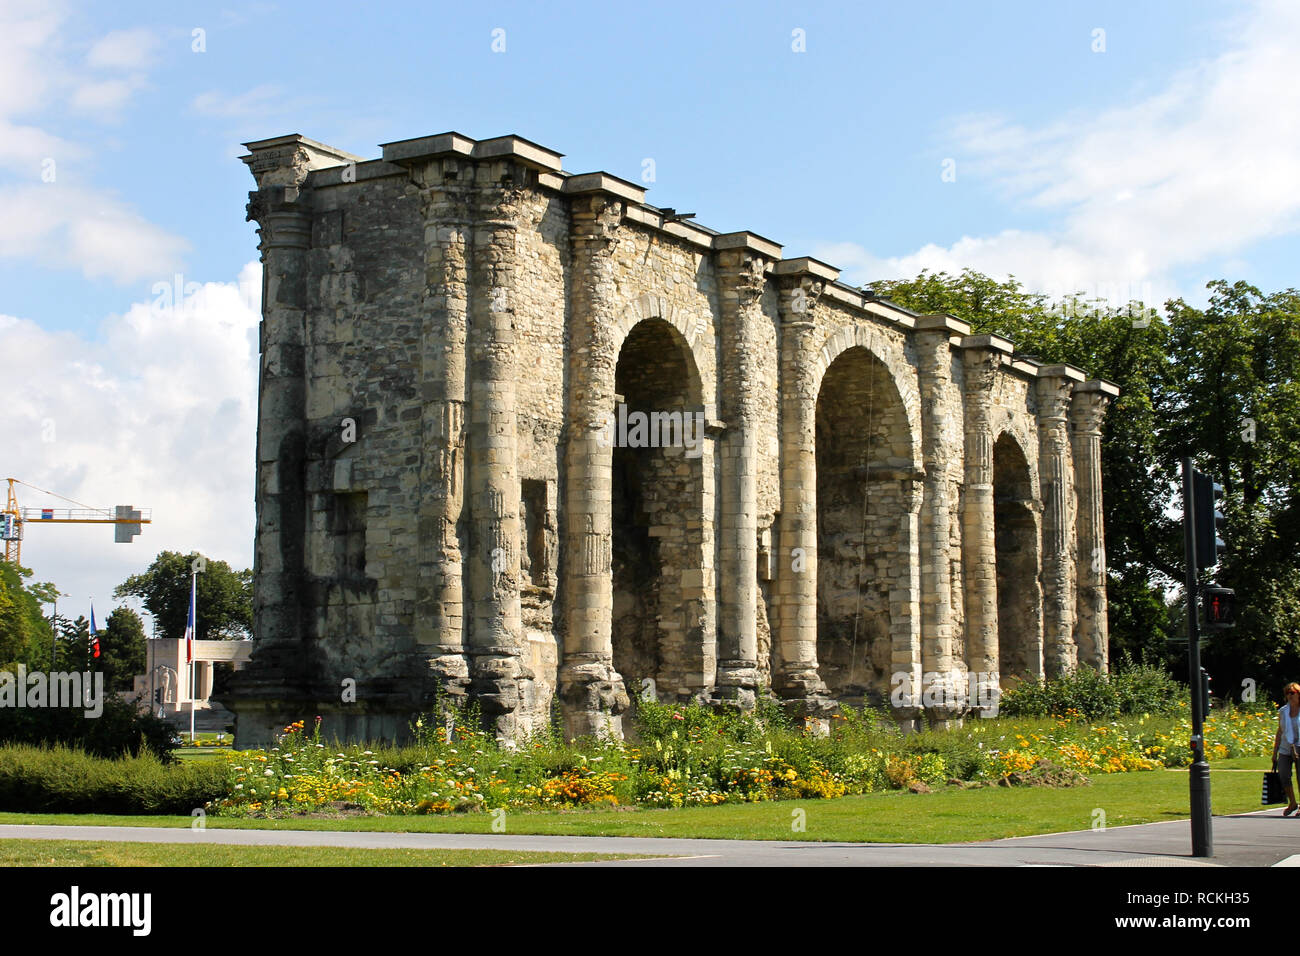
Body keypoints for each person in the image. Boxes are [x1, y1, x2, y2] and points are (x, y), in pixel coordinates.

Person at [1273, 682, 1300, 816]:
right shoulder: (1283, 711)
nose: (1289, 695)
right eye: (1287, 693)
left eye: (1292, 693)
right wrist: (1274, 752)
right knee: (1283, 774)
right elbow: (1279, 731)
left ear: (1298, 694)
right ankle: (1293, 803)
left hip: (1299, 747)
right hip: (1285, 748)